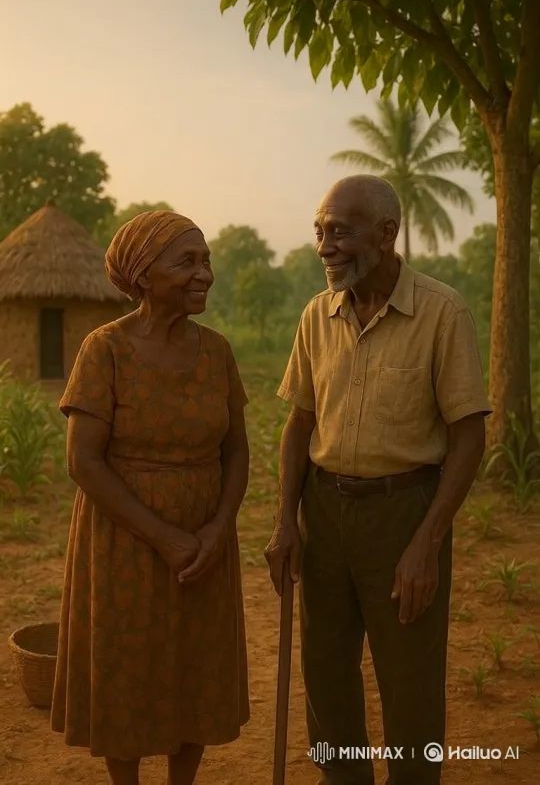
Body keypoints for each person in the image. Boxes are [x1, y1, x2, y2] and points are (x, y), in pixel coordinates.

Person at [265, 176, 491, 785]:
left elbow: (469, 436)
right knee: (327, 676)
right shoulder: (318, 314)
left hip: (405, 514)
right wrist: (286, 520)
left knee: (410, 683)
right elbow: (299, 423)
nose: (325, 245)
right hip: (325, 514)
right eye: (319, 231)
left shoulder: (443, 312)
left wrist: (428, 543)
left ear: (386, 234)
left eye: (339, 230)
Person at [50, 210, 250, 785]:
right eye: (186, 261)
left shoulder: (217, 352)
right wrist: (163, 536)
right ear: (142, 275)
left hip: (204, 545)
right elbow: (82, 460)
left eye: (206, 260)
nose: (204, 274)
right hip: (125, 542)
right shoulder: (104, 349)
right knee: (127, 667)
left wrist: (217, 529)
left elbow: (235, 452)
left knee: (195, 667)